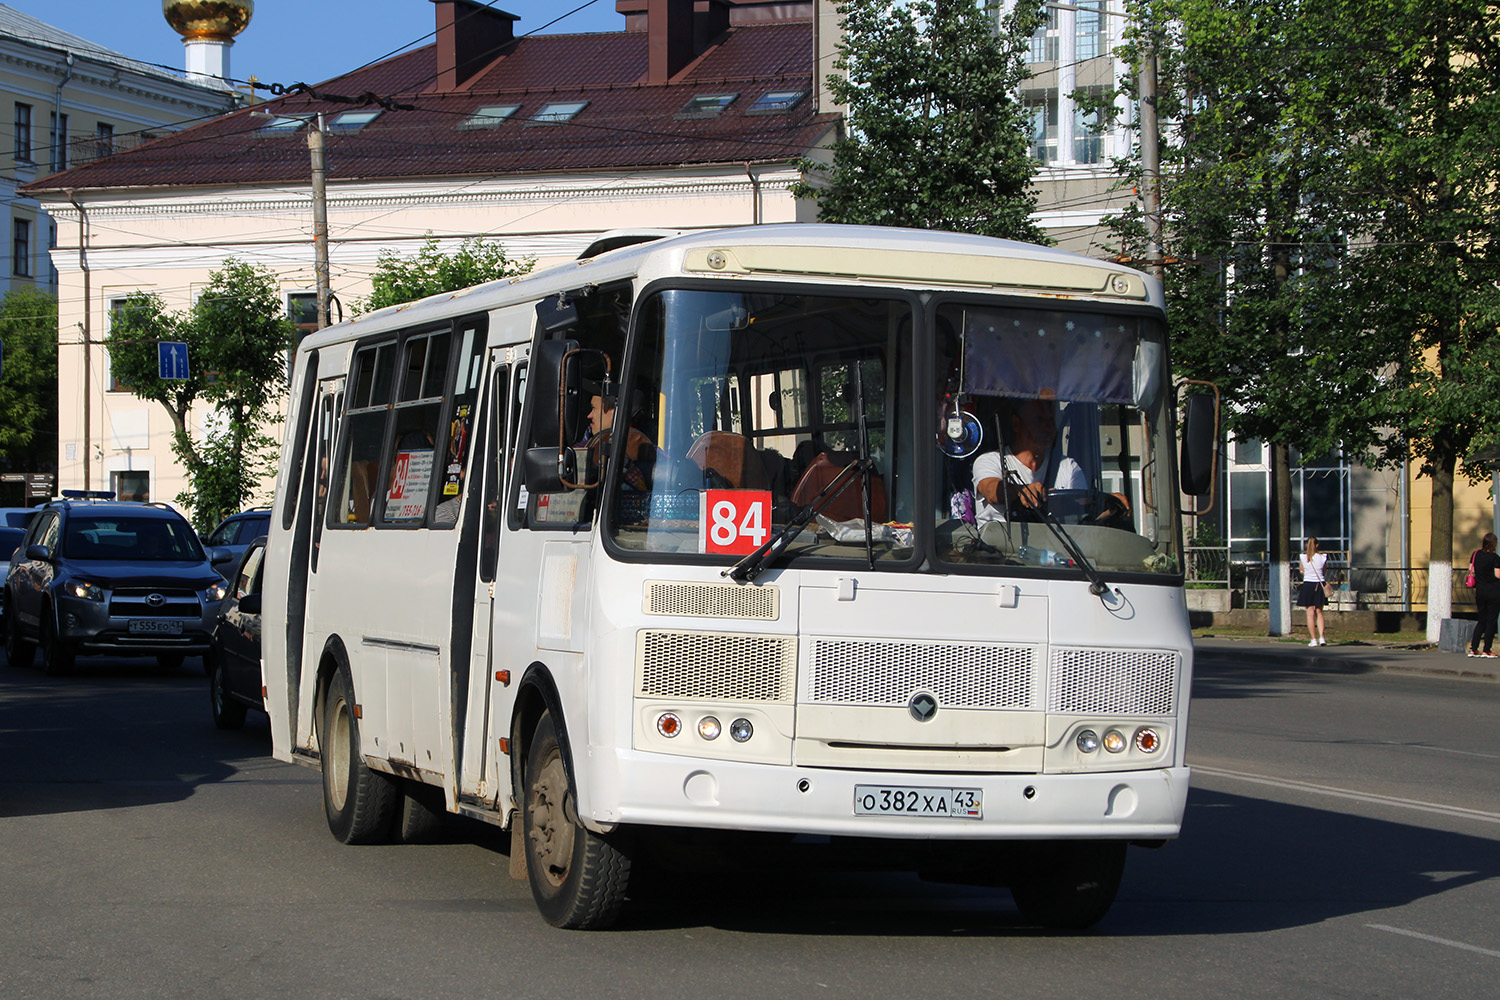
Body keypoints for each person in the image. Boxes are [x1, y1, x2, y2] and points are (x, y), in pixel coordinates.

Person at [972, 398, 1087, 525]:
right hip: (1000, 544)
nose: (1048, 428)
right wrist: (1021, 491)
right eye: (1039, 420)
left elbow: (1081, 512)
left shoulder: (1068, 467)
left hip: (1057, 543)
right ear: (1016, 424)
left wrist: (1109, 505)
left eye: (1051, 421)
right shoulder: (990, 461)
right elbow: (991, 491)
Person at [1468, 532, 1500, 658]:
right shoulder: (1495, 558)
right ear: (1494, 544)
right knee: (1491, 621)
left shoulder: (1476, 554)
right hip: (1493, 592)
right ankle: (1487, 650)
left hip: (1480, 591)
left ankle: (1473, 649)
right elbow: (1498, 575)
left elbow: (1472, 569)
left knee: (1481, 620)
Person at [1297, 537, 1330, 646]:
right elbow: (1324, 572)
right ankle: (1322, 637)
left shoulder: (1303, 557)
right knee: (1319, 612)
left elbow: (1301, 570)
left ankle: (1313, 639)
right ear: (1317, 545)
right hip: (1319, 585)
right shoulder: (1323, 557)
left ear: (1307, 545)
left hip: (1308, 585)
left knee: (1310, 613)